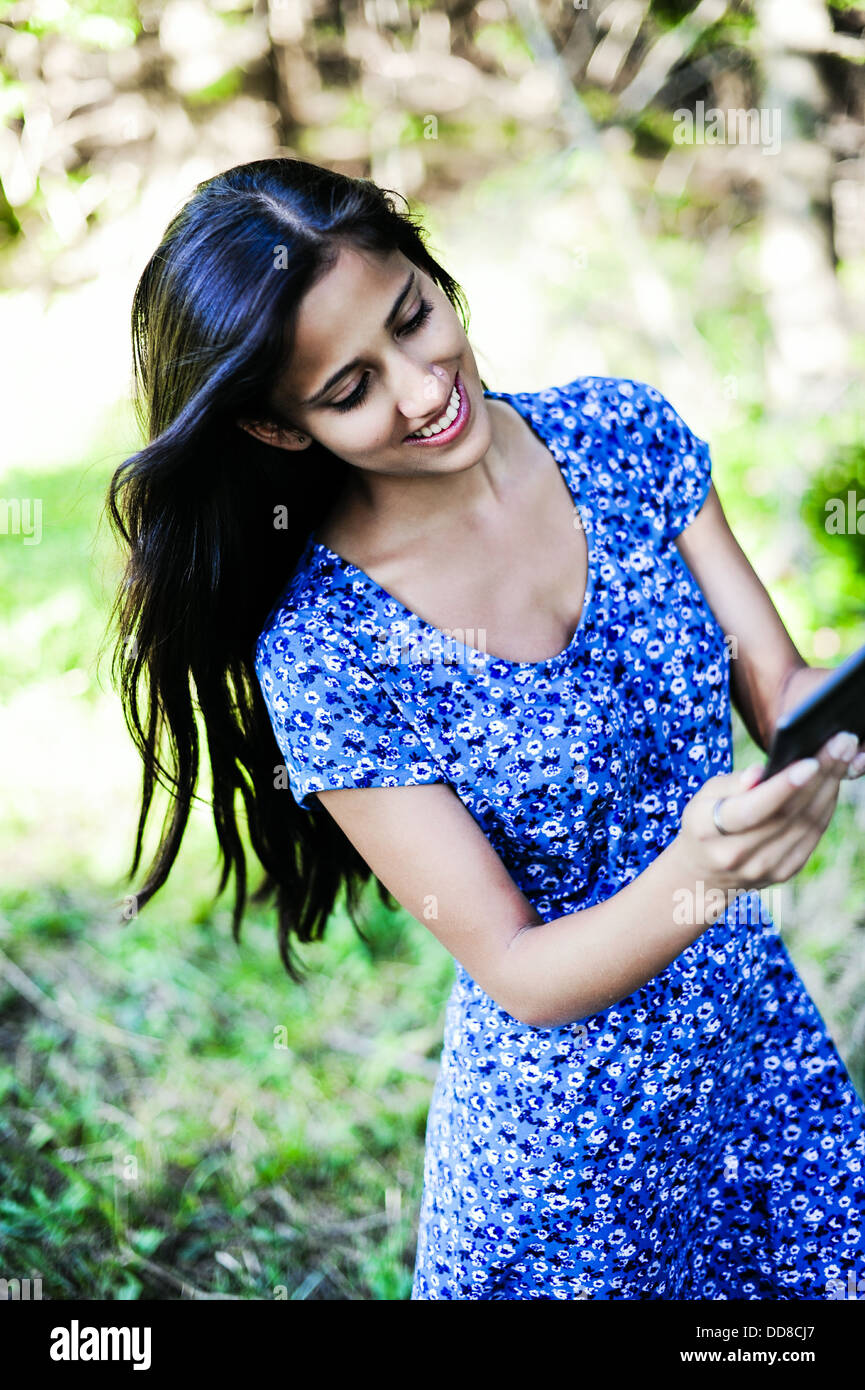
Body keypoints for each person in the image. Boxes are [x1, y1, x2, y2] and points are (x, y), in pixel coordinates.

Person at [108, 156, 865, 1300]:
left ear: (428, 271)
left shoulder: (621, 435)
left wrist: (832, 731)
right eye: (350, 389)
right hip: (571, 1167)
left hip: (758, 1057)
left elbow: (782, 690)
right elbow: (516, 970)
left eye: (413, 319)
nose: (422, 390)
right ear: (274, 428)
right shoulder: (326, 648)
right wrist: (701, 870)